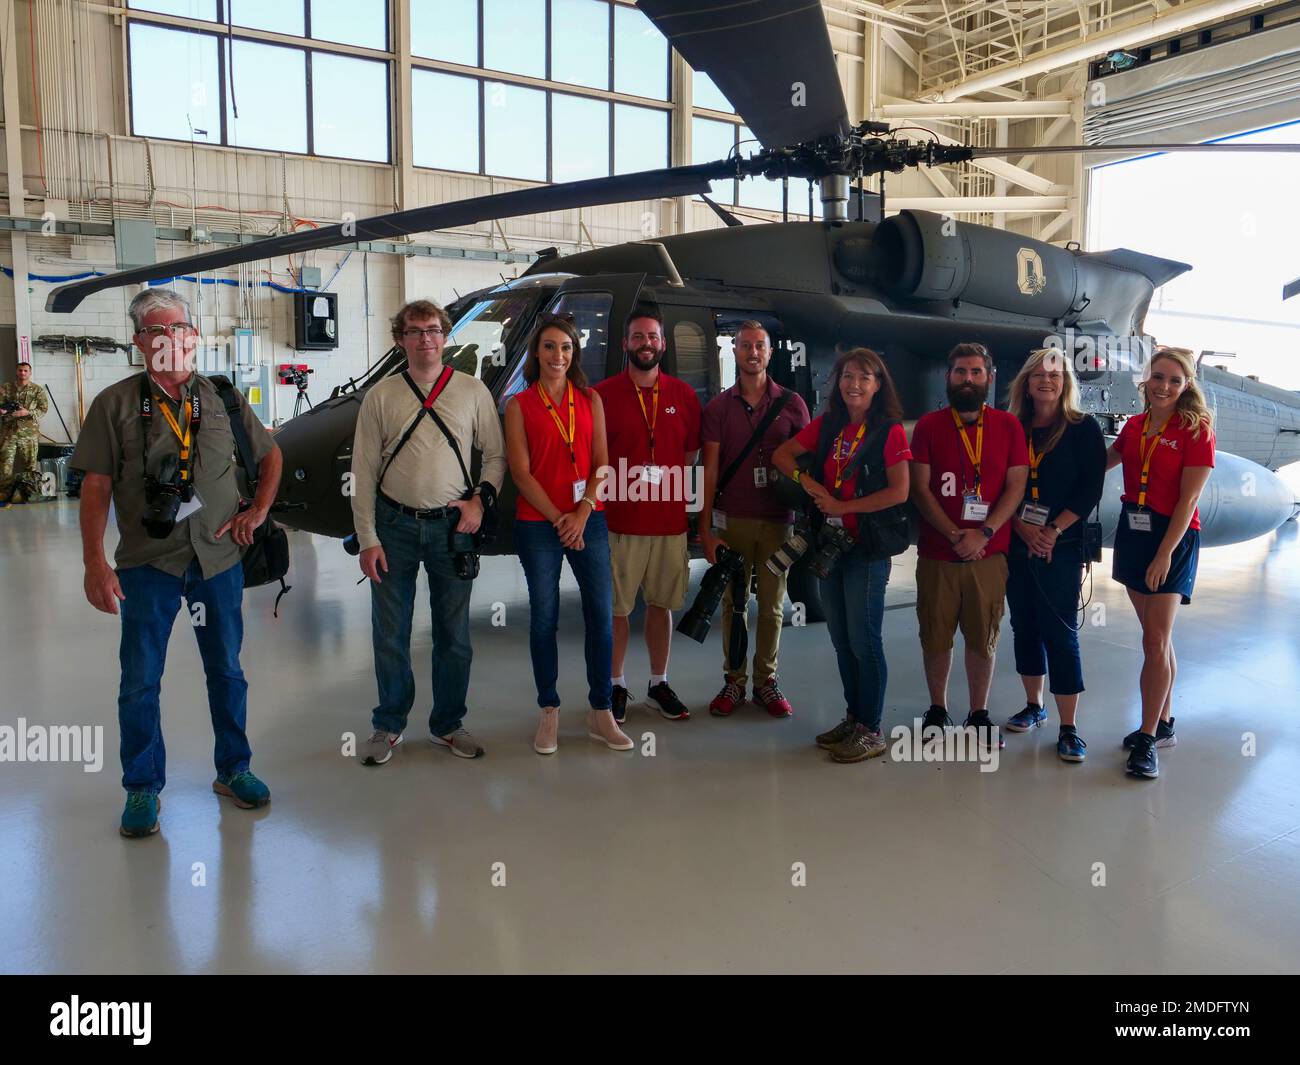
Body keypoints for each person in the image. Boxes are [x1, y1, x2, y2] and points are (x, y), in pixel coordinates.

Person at [71, 288, 282, 837]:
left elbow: (270, 454)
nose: (174, 340)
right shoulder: (114, 404)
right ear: (141, 341)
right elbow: (95, 488)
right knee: (140, 680)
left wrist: (258, 510)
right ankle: (141, 787)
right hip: (149, 563)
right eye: (160, 331)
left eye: (182, 329)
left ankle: (235, 769)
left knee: (227, 671)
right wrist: (95, 562)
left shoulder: (223, 399)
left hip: (217, 560)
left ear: (193, 336)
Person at [351, 299, 506, 766]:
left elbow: (495, 456)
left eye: (434, 330)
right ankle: (389, 725)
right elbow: (362, 471)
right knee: (390, 633)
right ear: (400, 340)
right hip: (393, 527)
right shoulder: (381, 396)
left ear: (445, 337)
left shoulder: (472, 391)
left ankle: (448, 725)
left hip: (451, 529)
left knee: (454, 634)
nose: (426, 339)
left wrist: (480, 501)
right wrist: (367, 538)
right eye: (415, 331)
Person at [773, 348, 910, 762]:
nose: (854, 384)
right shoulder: (828, 425)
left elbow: (899, 492)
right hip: (830, 548)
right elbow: (782, 456)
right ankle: (855, 717)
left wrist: (843, 508)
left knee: (865, 640)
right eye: (848, 376)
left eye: (864, 378)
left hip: (866, 549)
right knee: (841, 639)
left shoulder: (889, 431)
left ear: (877, 385)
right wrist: (810, 485)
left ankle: (872, 729)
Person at [505, 313, 628, 755]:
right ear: (536, 353)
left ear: (574, 354)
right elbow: (520, 473)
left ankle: (600, 711)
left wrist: (583, 512)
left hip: (589, 517)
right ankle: (549, 710)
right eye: (550, 347)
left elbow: (602, 463)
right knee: (544, 618)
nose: (559, 356)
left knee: (601, 613)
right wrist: (563, 518)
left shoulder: (589, 400)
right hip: (539, 524)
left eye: (566, 348)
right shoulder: (519, 406)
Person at [909, 342, 1029, 749]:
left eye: (976, 372)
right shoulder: (928, 426)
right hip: (939, 552)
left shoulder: (1010, 427)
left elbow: (1015, 486)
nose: (968, 379)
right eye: (960, 372)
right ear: (948, 377)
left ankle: (978, 713)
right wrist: (953, 533)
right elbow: (920, 488)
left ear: (989, 378)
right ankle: (938, 709)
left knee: (983, 637)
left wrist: (986, 533)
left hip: (988, 554)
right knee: (936, 636)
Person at [1107, 345, 1215, 779]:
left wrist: (1165, 553)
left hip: (1174, 537)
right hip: (1135, 534)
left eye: (1174, 380)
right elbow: (1101, 462)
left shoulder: (1196, 428)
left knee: (1155, 640)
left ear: (1186, 385)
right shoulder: (1134, 427)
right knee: (1156, 636)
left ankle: (1148, 738)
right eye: (1158, 378)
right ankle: (1164, 723)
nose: (1164, 386)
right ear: (1145, 381)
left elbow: (1189, 499)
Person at [594, 306, 701, 724]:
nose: (646, 344)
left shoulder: (683, 396)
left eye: (653, 337)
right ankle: (616, 684)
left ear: (662, 343)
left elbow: (689, 454)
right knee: (616, 610)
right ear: (625, 344)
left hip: (669, 524)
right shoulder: (602, 395)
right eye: (638, 337)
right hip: (619, 523)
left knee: (662, 606)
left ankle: (659, 683)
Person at [698, 322, 810, 718]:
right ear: (735, 350)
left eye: (759, 346)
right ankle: (734, 681)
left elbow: (806, 463)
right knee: (733, 605)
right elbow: (709, 471)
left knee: (772, 606)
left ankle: (766, 681)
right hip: (733, 521)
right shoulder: (717, 409)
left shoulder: (793, 404)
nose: (752, 352)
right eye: (745, 345)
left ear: (768, 352)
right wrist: (705, 527)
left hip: (779, 520)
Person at [1002, 348, 1107, 762]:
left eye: (1056, 374)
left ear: (1066, 383)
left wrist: (1051, 530)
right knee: (1024, 625)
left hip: (1060, 545)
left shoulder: (1083, 429)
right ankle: (1034, 705)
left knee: (1060, 631)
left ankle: (1069, 727)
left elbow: (1089, 489)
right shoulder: (1011, 428)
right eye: (1039, 374)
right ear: (1026, 382)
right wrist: (1020, 527)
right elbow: (996, 483)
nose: (1047, 380)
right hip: (1016, 540)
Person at [0, 361, 49, 505]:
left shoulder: (37, 390)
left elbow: (43, 409)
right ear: (16, 372)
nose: (22, 373)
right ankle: (4, 493)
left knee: (29, 464)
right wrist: (3, 411)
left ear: (30, 372)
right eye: (20, 370)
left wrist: (27, 412)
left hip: (28, 433)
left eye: (25, 371)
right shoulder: (6, 388)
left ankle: (27, 492)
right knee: (5, 464)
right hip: (8, 432)